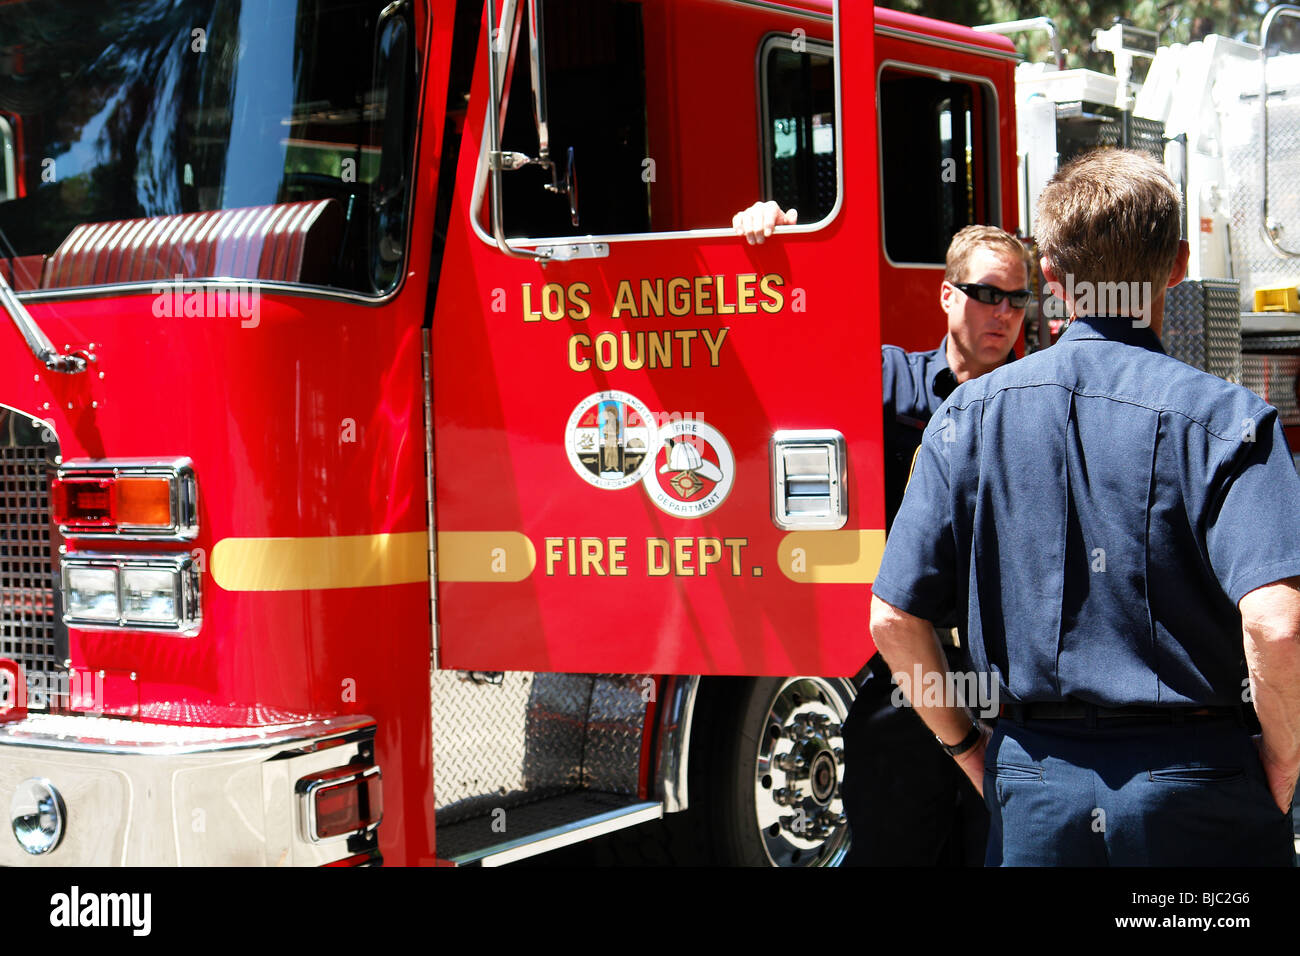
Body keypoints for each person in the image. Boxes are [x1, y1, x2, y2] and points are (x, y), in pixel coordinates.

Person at [869, 148, 1300, 866]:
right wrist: (1282, 763)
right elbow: (1278, 627)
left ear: (1048, 279)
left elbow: (894, 620)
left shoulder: (966, 417)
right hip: (1200, 789)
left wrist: (973, 752)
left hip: (1033, 786)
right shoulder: (1230, 421)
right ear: (1179, 264)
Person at [734, 203, 1033, 864]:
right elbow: (782, 358)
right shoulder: (889, 378)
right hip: (906, 679)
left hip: (1014, 687)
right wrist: (771, 251)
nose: (1004, 313)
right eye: (987, 295)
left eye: (1017, 299)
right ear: (947, 293)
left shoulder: (1038, 395)